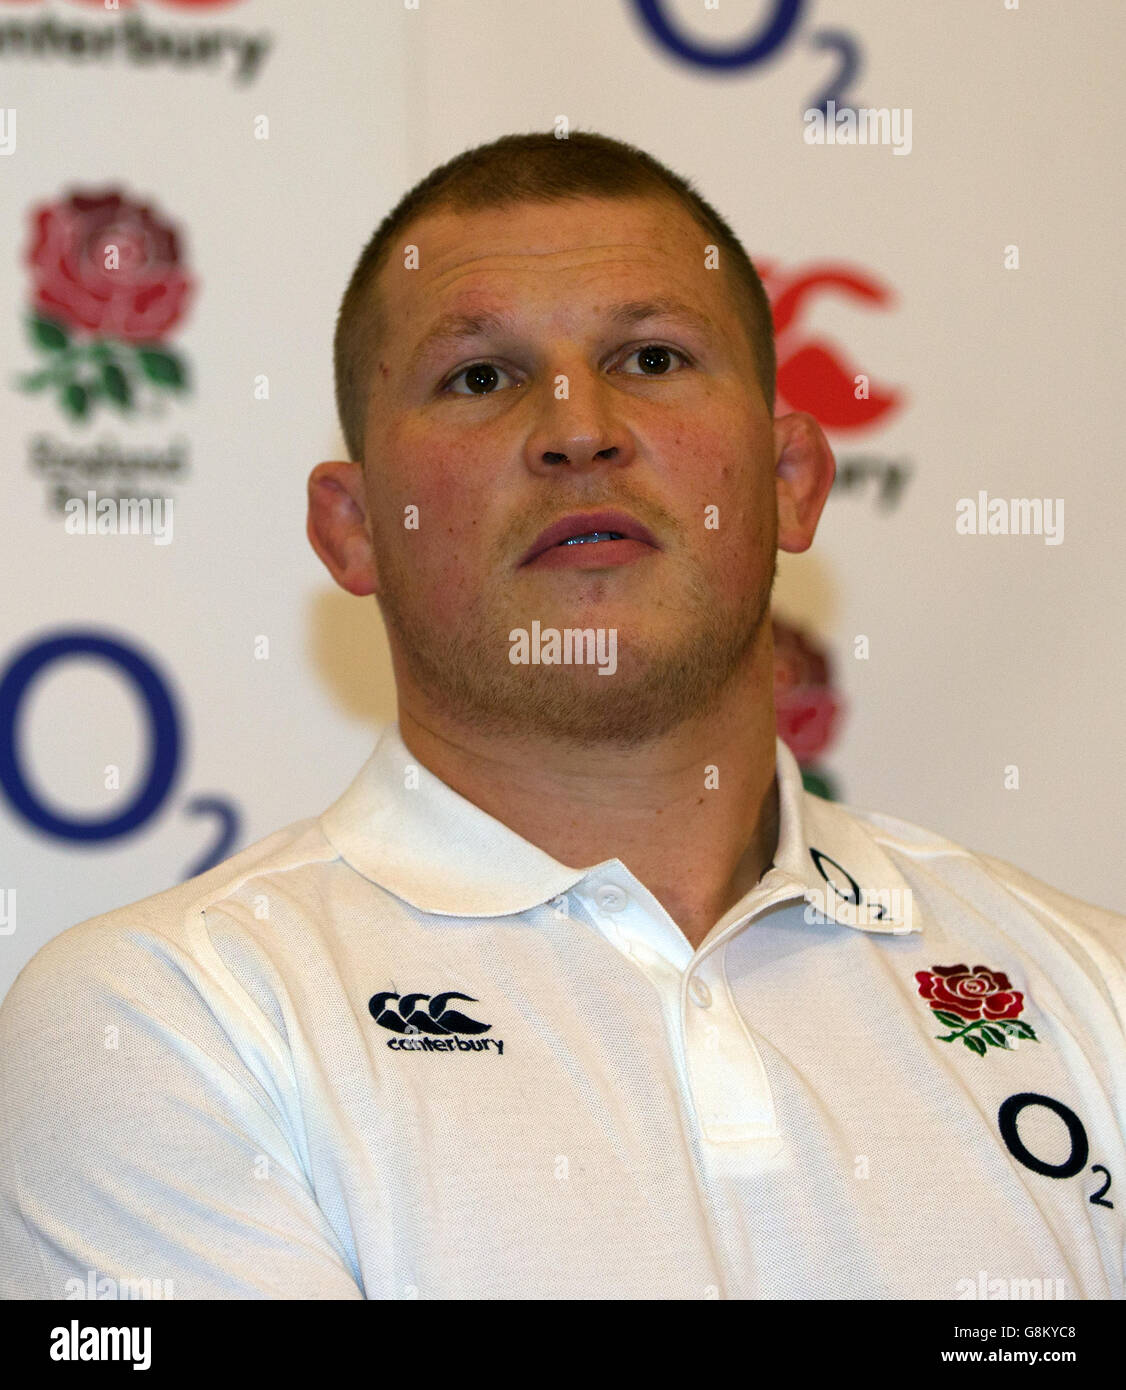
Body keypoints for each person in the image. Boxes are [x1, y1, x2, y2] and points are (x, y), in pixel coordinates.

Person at [1, 131, 1123, 1301]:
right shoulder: (168, 1021)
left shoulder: (1092, 990)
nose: (578, 427)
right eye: (479, 377)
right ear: (354, 527)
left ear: (789, 479)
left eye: (649, 357)